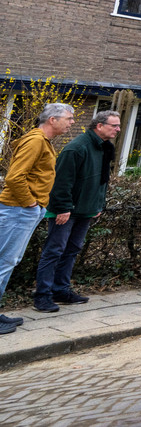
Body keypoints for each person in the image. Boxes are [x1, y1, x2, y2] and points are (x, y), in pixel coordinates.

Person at [32, 110, 120, 313]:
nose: (117, 129)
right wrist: (63, 208)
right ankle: (42, 296)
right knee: (54, 251)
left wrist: (96, 205)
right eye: (114, 125)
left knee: (71, 250)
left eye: (118, 126)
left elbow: (101, 179)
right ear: (99, 126)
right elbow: (61, 182)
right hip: (65, 211)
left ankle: (60, 290)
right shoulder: (77, 148)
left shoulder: (105, 147)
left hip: (85, 210)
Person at [0, 104, 74, 334]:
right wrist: (30, 203)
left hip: (23, 210)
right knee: (4, 261)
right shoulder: (35, 141)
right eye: (69, 119)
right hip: (18, 209)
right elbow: (14, 177)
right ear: (53, 120)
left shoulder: (43, 142)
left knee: (9, 260)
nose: (72, 123)